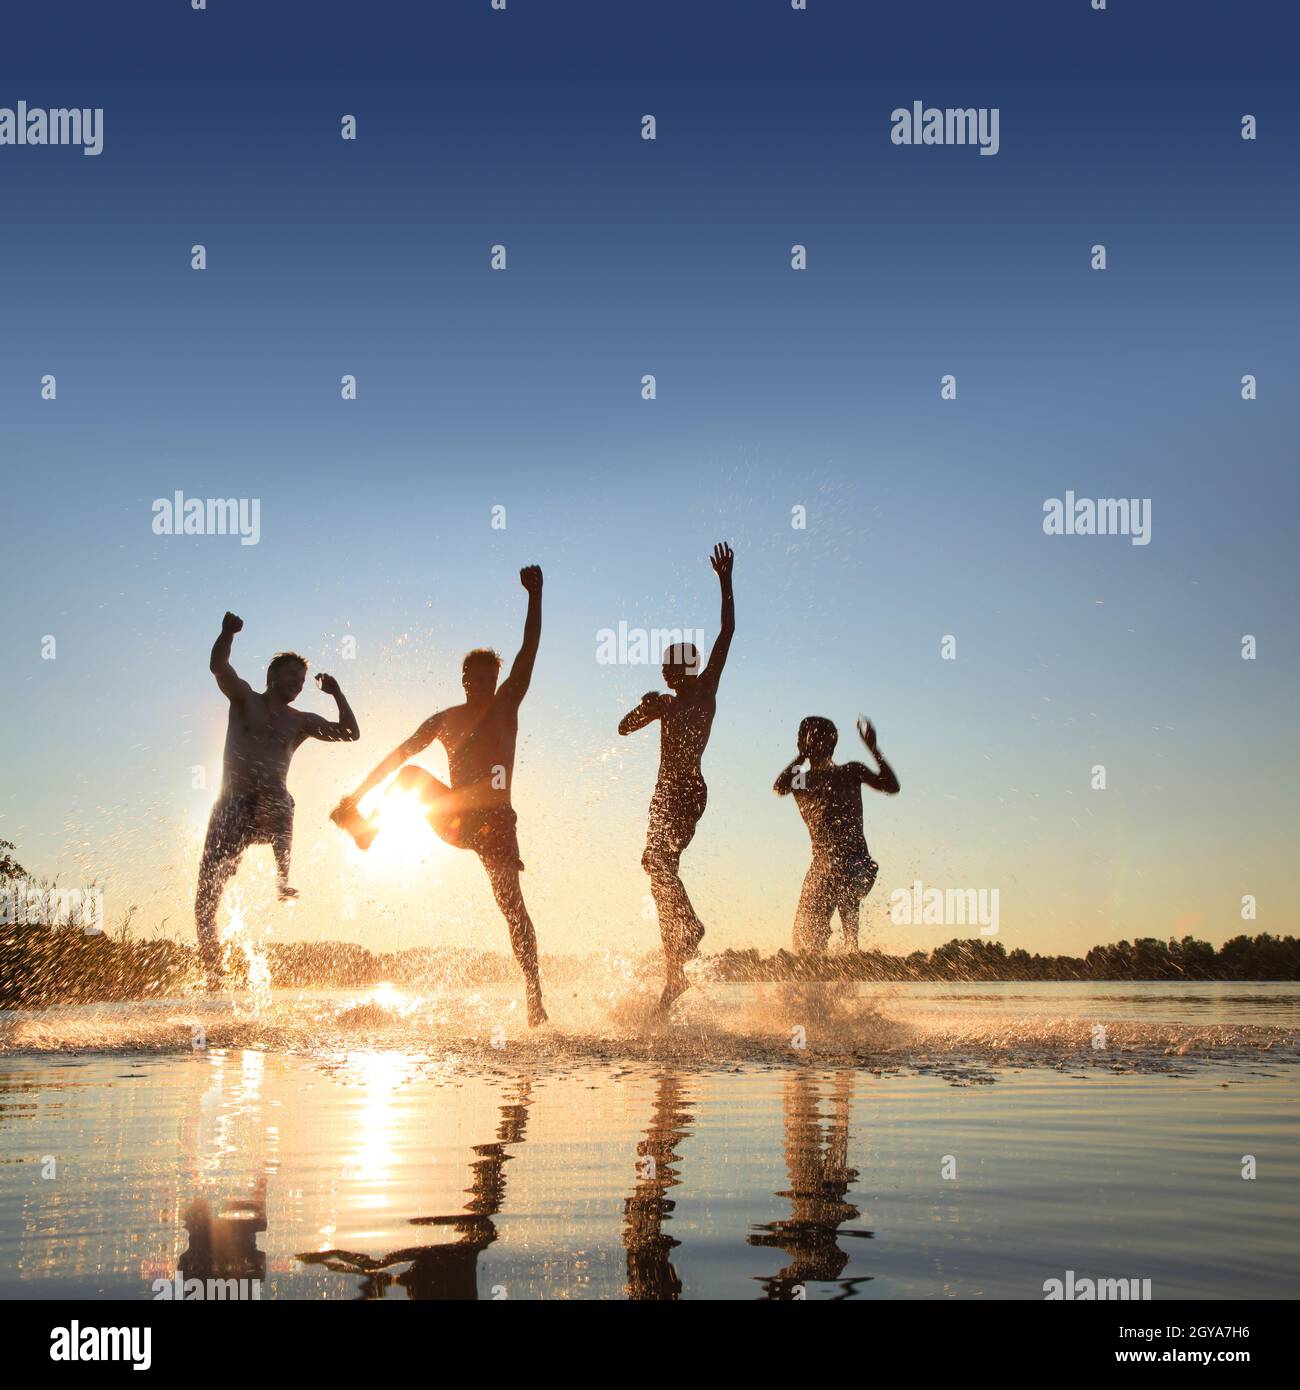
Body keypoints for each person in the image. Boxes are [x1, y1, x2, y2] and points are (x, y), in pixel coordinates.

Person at [333, 567, 548, 1026]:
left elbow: (529, 650)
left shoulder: (507, 703)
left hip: (496, 822)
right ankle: (368, 830)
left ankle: (534, 999)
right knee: (411, 772)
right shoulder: (445, 719)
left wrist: (536, 595)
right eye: (471, 676)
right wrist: (357, 796)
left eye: (487, 675)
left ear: (496, 678)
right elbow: (397, 756)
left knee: (513, 908)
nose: (478, 683)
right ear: (462, 678)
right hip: (455, 818)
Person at [196, 612, 360, 989]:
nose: (298, 685)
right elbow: (217, 666)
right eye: (292, 677)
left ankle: (283, 878)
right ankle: (214, 977)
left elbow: (350, 733)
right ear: (273, 677)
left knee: (280, 796)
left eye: (302, 681)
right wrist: (226, 633)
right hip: (230, 810)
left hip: (269, 810)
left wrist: (337, 694)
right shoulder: (244, 700)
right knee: (205, 902)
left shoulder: (299, 721)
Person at [619, 543, 734, 1011]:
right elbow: (622, 728)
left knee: (659, 866)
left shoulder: (704, 689)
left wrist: (725, 581)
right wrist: (641, 709)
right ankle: (675, 974)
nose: (664, 672)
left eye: (669, 665)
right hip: (664, 794)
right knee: (657, 869)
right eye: (664, 667)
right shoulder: (664, 704)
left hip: (687, 791)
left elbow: (727, 632)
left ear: (684, 667)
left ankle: (689, 931)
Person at [773, 716, 899, 952]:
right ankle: (822, 972)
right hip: (821, 869)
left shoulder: (850, 771)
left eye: (813, 739)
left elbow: (891, 786)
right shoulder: (802, 780)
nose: (810, 744)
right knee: (803, 940)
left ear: (829, 743)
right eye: (805, 739)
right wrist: (800, 756)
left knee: (837, 867)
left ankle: (852, 945)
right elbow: (779, 787)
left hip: (857, 864)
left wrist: (874, 749)